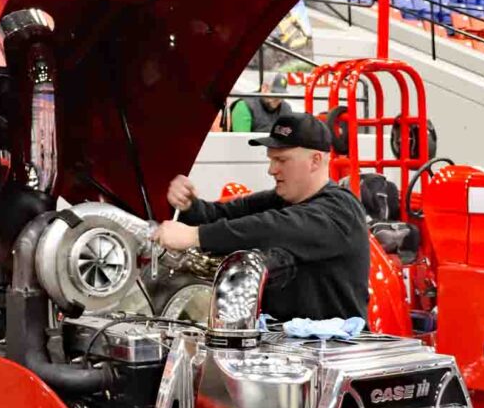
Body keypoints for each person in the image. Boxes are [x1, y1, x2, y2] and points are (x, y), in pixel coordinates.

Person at [153, 111, 369, 323]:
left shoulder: (340, 210)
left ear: (315, 161)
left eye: (281, 160)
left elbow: (275, 227)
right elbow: (222, 214)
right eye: (271, 159)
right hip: (283, 348)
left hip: (336, 349)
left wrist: (196, 236)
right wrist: (190, 205)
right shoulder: (278, 199)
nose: (271, 170)